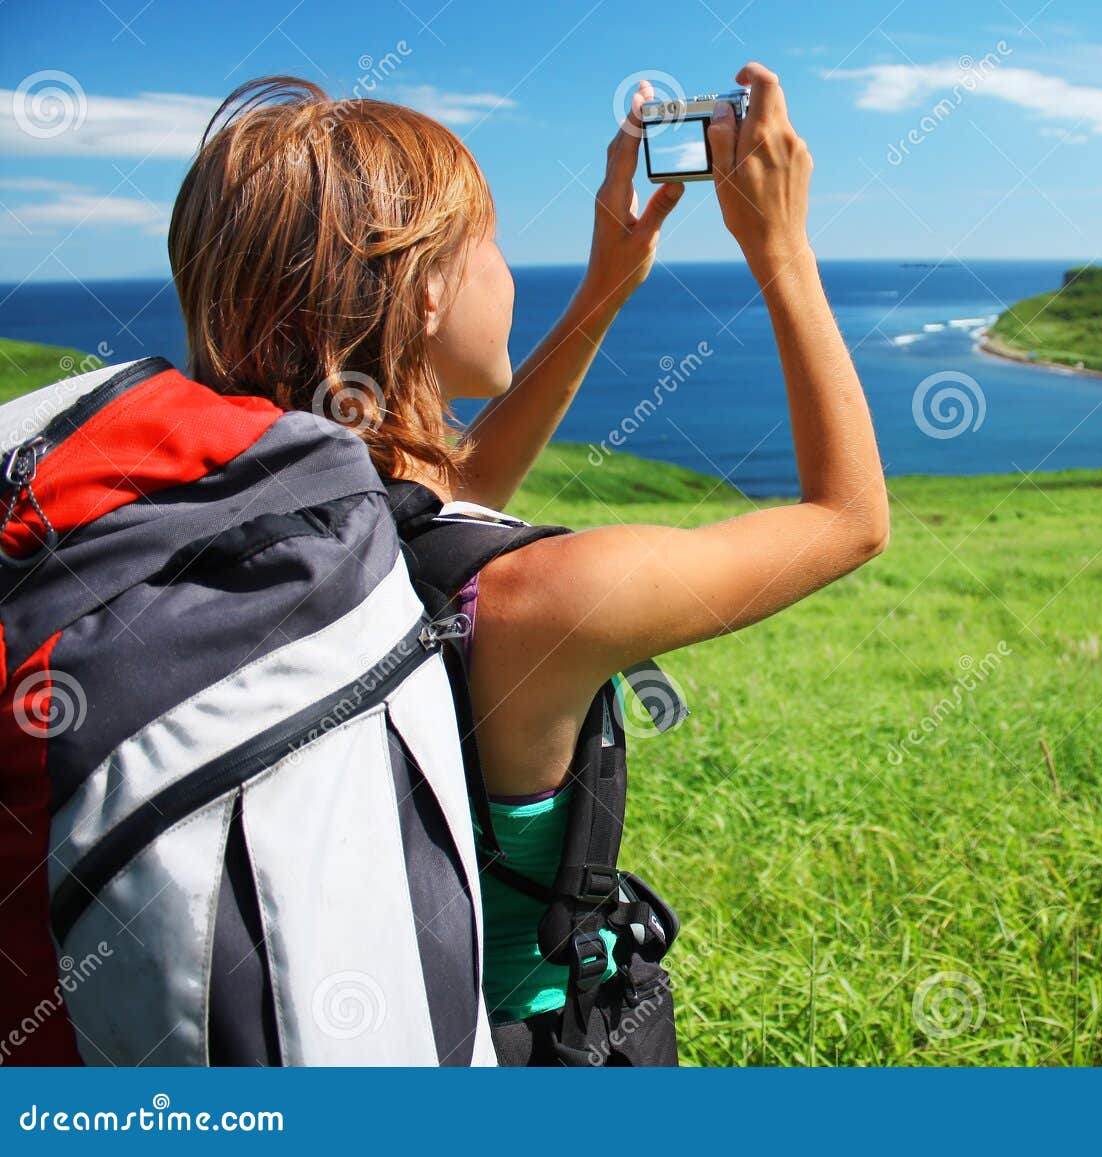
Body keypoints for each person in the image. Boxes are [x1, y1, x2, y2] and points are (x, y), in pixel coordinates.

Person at [167, 63, 889, 1062]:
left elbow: (440, 501)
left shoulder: (236, 534)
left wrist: (604, 287)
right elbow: (845, 517)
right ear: (426, 294)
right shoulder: (546, 596)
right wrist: (781, 249)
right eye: (489, 243)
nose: (507, 268)